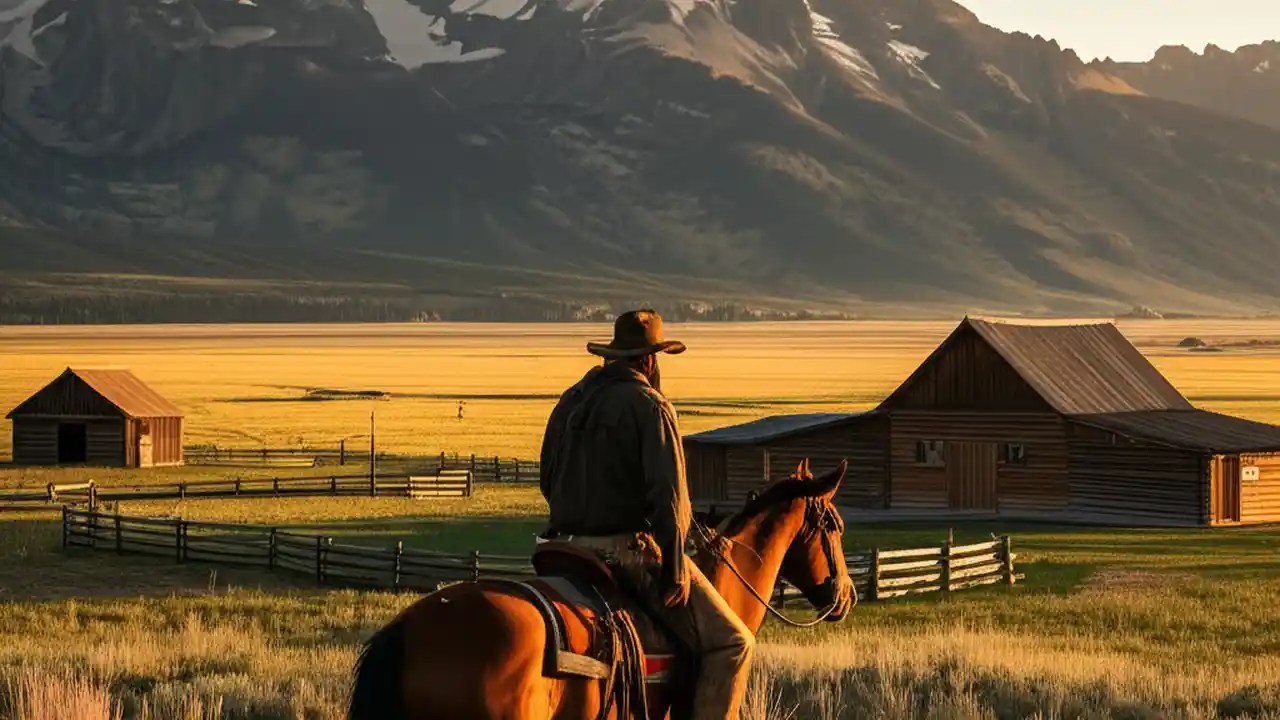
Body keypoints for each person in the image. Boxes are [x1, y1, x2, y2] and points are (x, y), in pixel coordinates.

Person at [539, 309, 753, 720]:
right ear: (650, 360)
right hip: (625, 554)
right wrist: (674, 567)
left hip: (560, 550)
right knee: (733, 644)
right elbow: (671, 501)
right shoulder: (650, 405)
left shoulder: (569, 402)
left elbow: (547, 480)